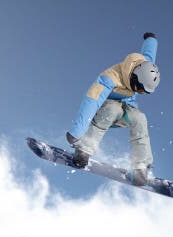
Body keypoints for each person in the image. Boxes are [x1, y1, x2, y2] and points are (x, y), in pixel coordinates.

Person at [66, 33, 160, 185]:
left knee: (140, 119)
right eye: (141, 90)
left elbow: (149, 53)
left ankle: (141, 167)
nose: (141, 93)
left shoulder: (144, 66)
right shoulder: (109, 78)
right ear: (134, 78)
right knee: (112, 109)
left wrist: (151, 39)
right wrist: (76, 131)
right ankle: (84, 150)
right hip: (103, 111)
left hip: (126, 108)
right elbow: (91, 101)